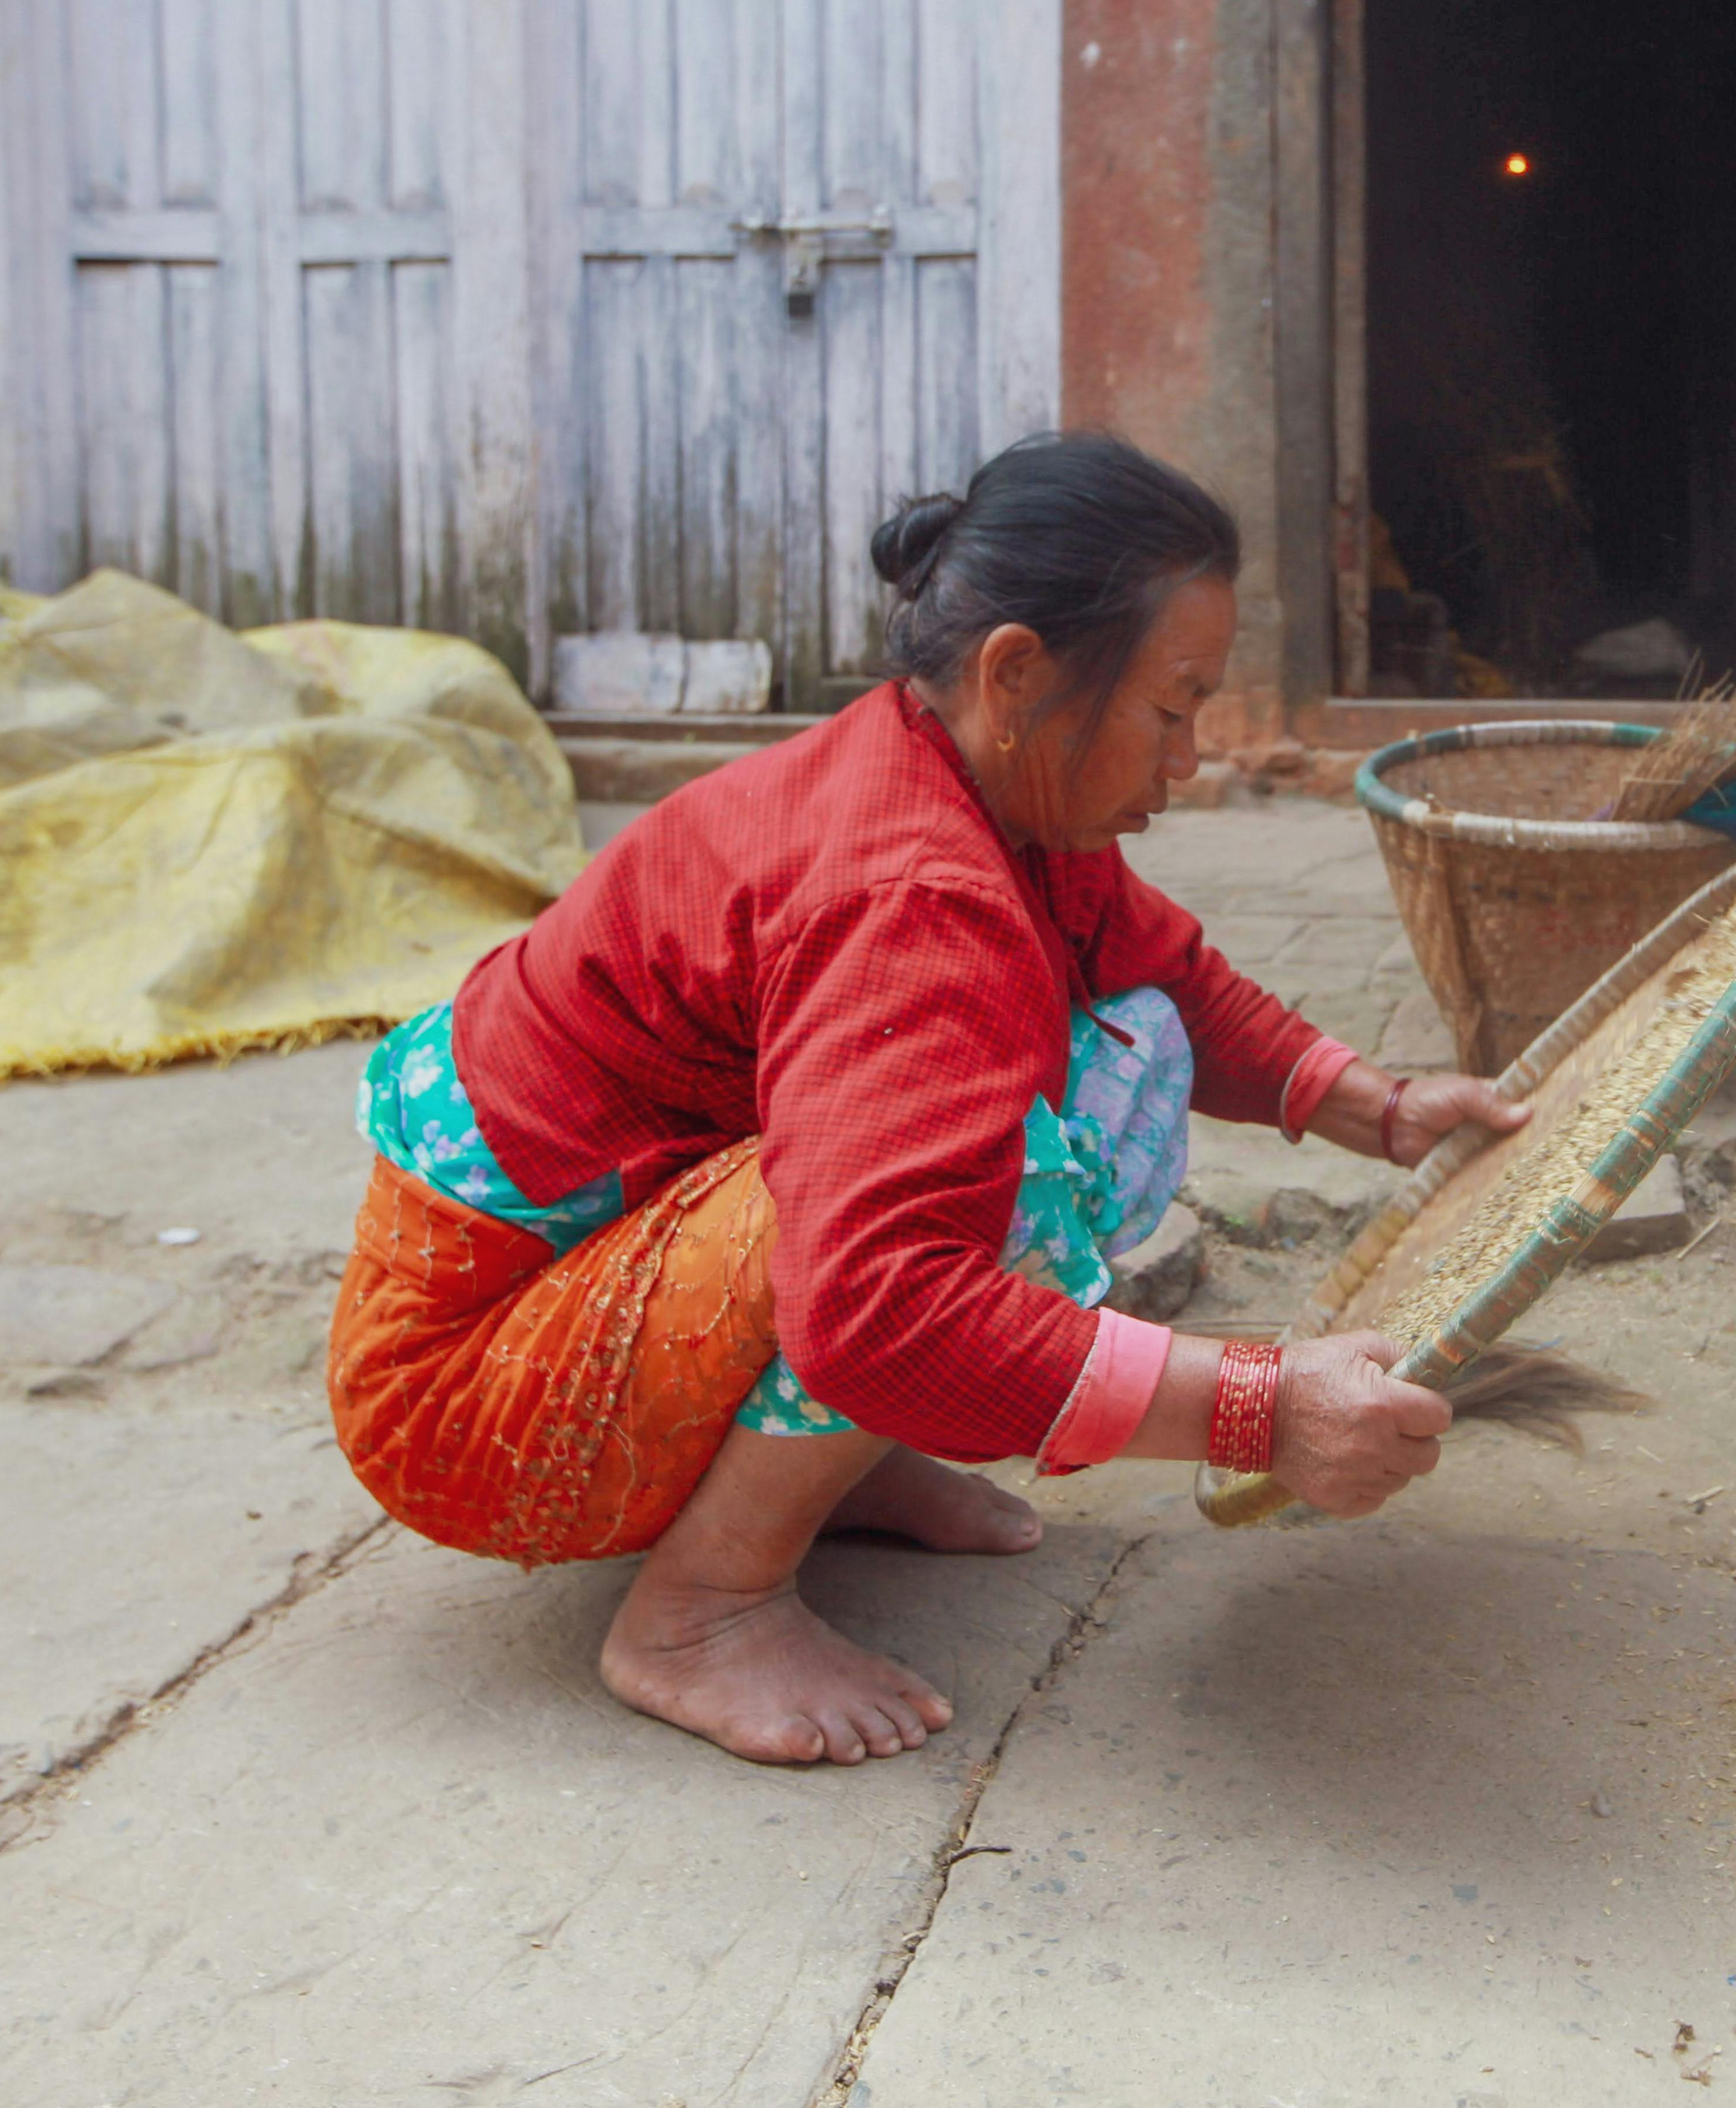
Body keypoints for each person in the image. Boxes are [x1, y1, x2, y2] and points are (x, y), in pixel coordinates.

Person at [326, 432, 1529, 1768]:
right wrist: (1264, 1408)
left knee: (1111, 1060)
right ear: (1017, 673)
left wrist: (1383, 1109)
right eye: (1172, 707)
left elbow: (1155, 968)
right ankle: (699, 1612)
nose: (1188, 761)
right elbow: (881, 1300)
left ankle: (824, 1459)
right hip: (464, 1399)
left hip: (605, 1254)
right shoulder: (912, 892)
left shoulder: (974, 777)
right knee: (999, 1187)